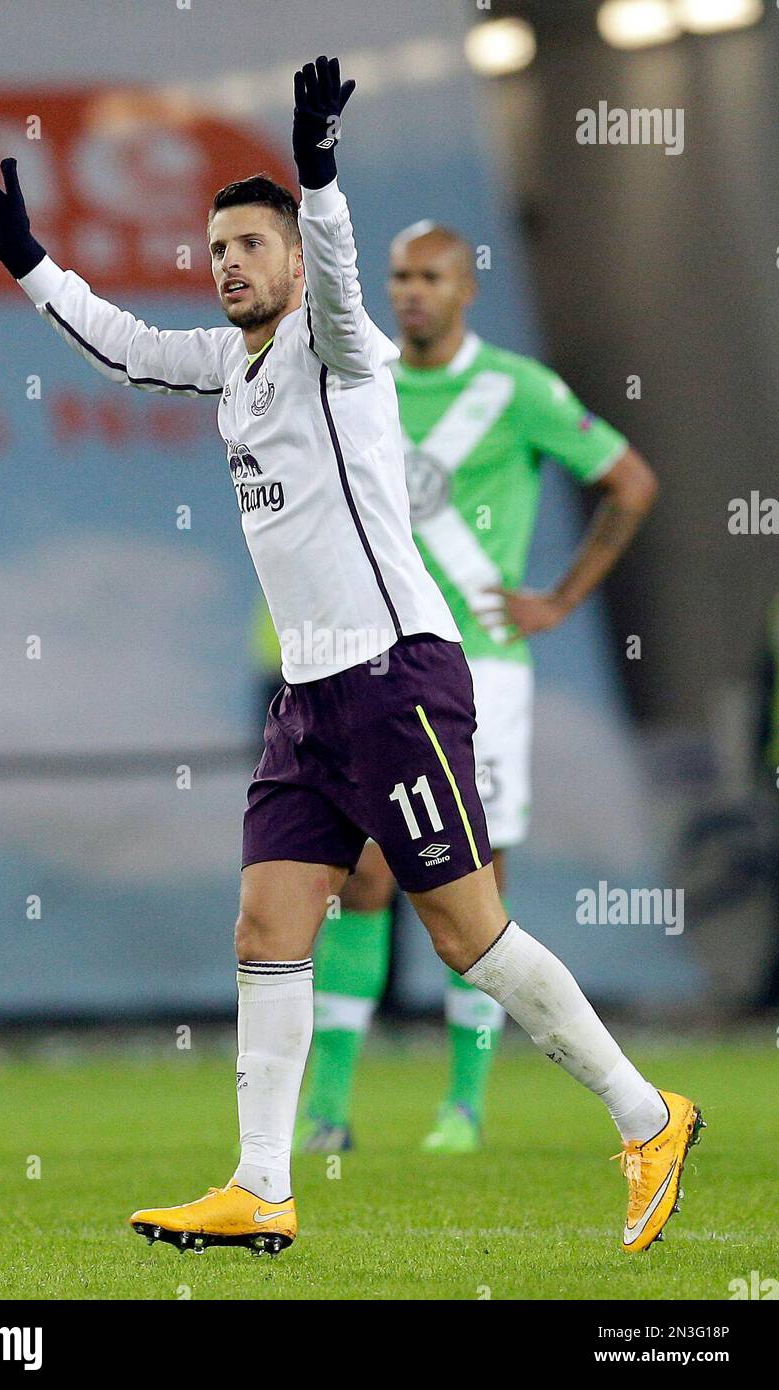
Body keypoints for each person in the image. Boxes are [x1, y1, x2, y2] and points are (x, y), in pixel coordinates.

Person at [0, 55, 701, 1258]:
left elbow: (344, 288)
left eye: (253, 243)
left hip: (397, 675)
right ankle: (261, 1184)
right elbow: (125, 344)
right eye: (218, 247)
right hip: (311, 698)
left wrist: (323, 172)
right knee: (265, 925)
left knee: (467, 936)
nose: (230, 261)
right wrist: (24, 260)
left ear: (292, 261)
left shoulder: (342, 357)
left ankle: (649, 1114)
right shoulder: (230, 369)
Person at [300, 222, 660, 1155]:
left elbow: (630, 481)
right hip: (379, 661)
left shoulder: (513, 388)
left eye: (430, 277)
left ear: (467, 288)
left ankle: (462, 1106)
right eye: (398, 276)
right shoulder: (361, 375)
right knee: (364, 874)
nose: (410, 291)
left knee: (474, 881)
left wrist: (560, 600)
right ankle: (331, 1109)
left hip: (482, 673)